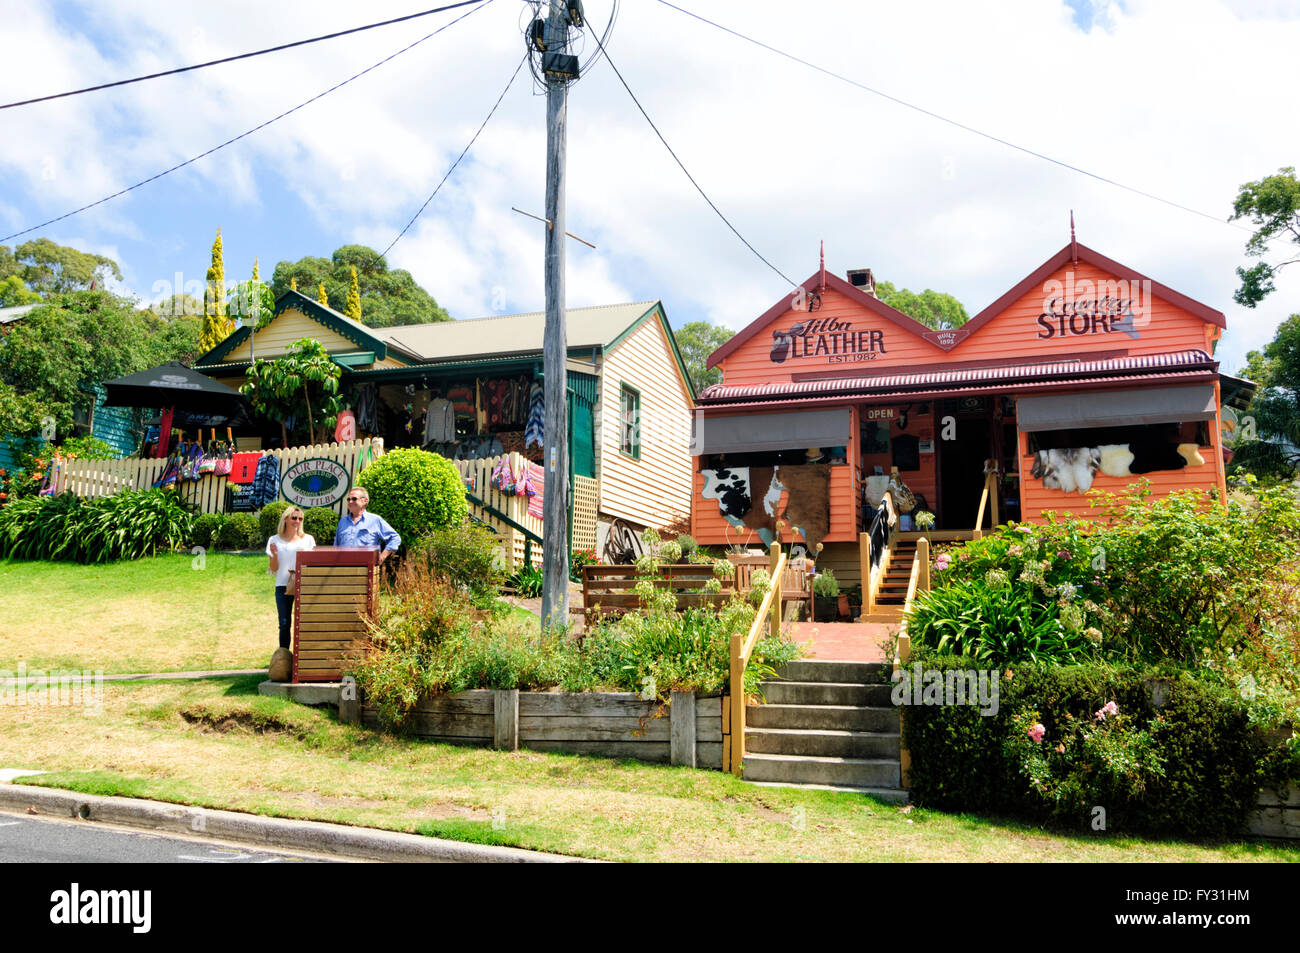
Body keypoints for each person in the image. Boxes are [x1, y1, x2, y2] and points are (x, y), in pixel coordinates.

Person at [267, 506, 316, 650]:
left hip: (304, 585)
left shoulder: (308, 539)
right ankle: (283, 657)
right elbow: (274, 569)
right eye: (294, 518)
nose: (297, 521)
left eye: (300, 518)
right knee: (284, 623)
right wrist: (275, 555)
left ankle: (303, 656)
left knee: (304, 622)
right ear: (286, 519)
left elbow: (312, 564)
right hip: (282, 585)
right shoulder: (274, 540)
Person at [333, 486, 401, 562]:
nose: (350, 502)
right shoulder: (343, 521)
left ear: (365, 501)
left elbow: (395, 538)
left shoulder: (375, 520)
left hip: (367, 569)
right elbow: (336, 546)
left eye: (354, 499)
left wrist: (383, 556)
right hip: (344, 568)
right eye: (348, 499)